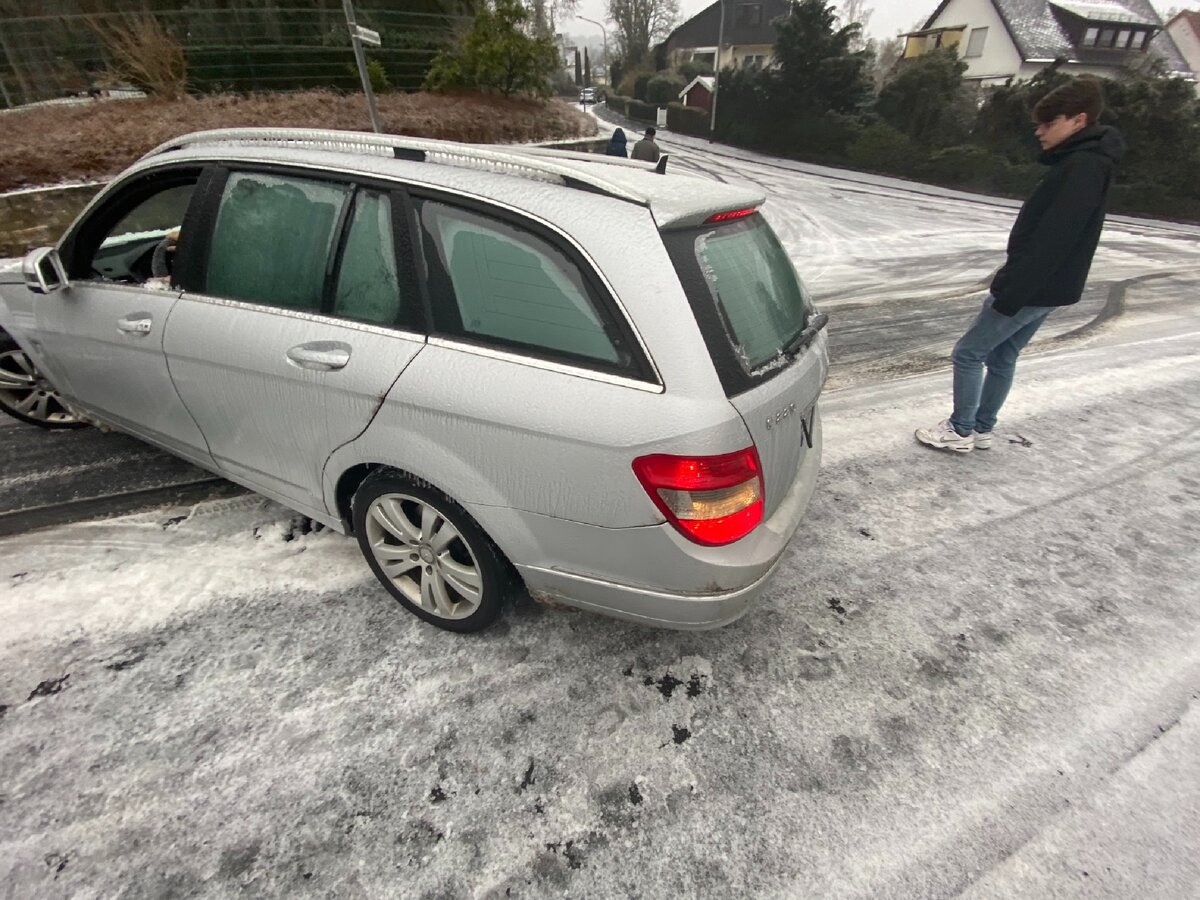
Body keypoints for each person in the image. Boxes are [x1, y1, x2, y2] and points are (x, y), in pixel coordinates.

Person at [915, 77, 1125, 454]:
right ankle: (981, 428)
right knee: (1002, 355)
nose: (1039, 132)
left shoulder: (1081, 167)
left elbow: (1054, 239)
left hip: (1033, 285)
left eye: (1049, 123)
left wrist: (1011, 291)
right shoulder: (1090, 163)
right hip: (1050, 286)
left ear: (1079, 120)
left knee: (968, 353)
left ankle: (960, 429)